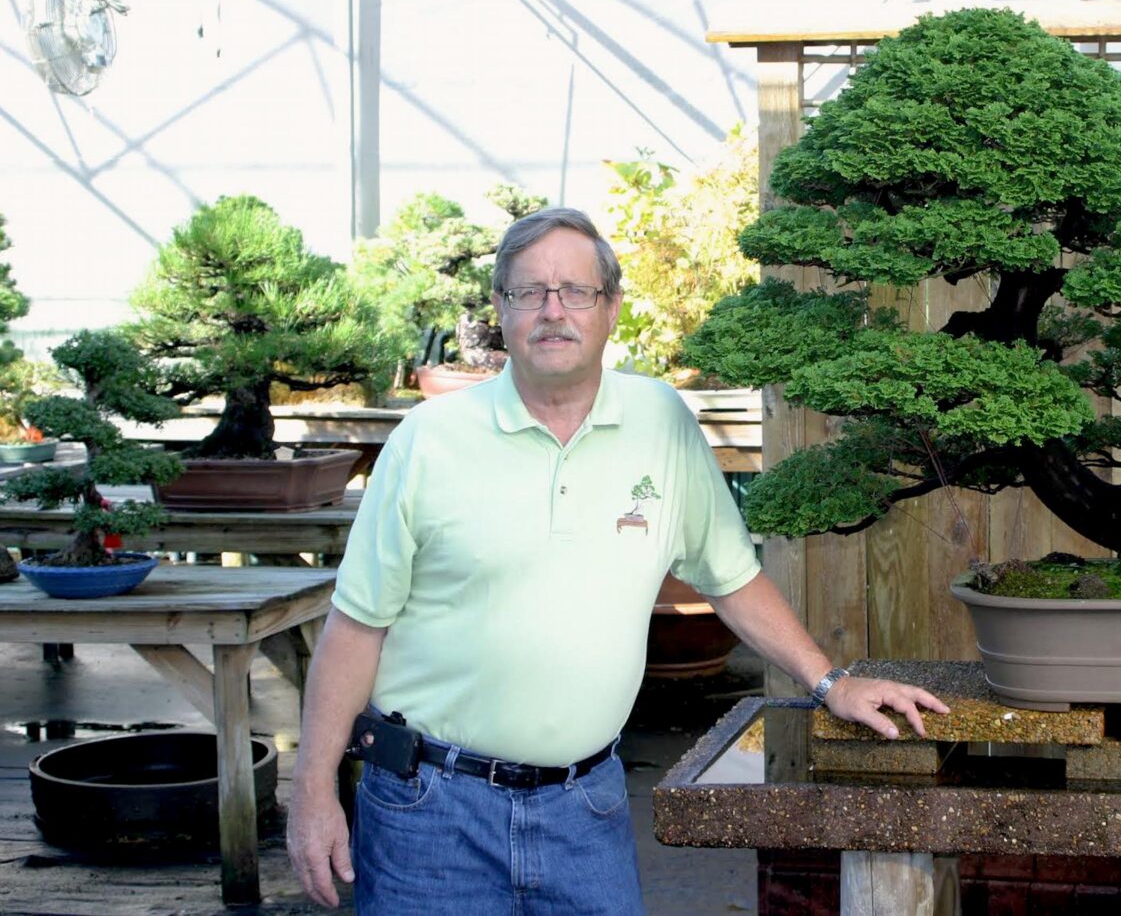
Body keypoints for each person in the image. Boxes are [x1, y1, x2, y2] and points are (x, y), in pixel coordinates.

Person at [288, 207, 948, 913]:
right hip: (430, 809)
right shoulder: (428, 441)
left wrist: (829, 682)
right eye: (528, 292)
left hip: (585, 811)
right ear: (499, 311)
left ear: (611, 310)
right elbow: (355, 626)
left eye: (575, 290)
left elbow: (732, 577)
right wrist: (313, 790)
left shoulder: (660, 422)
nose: (552, 310)